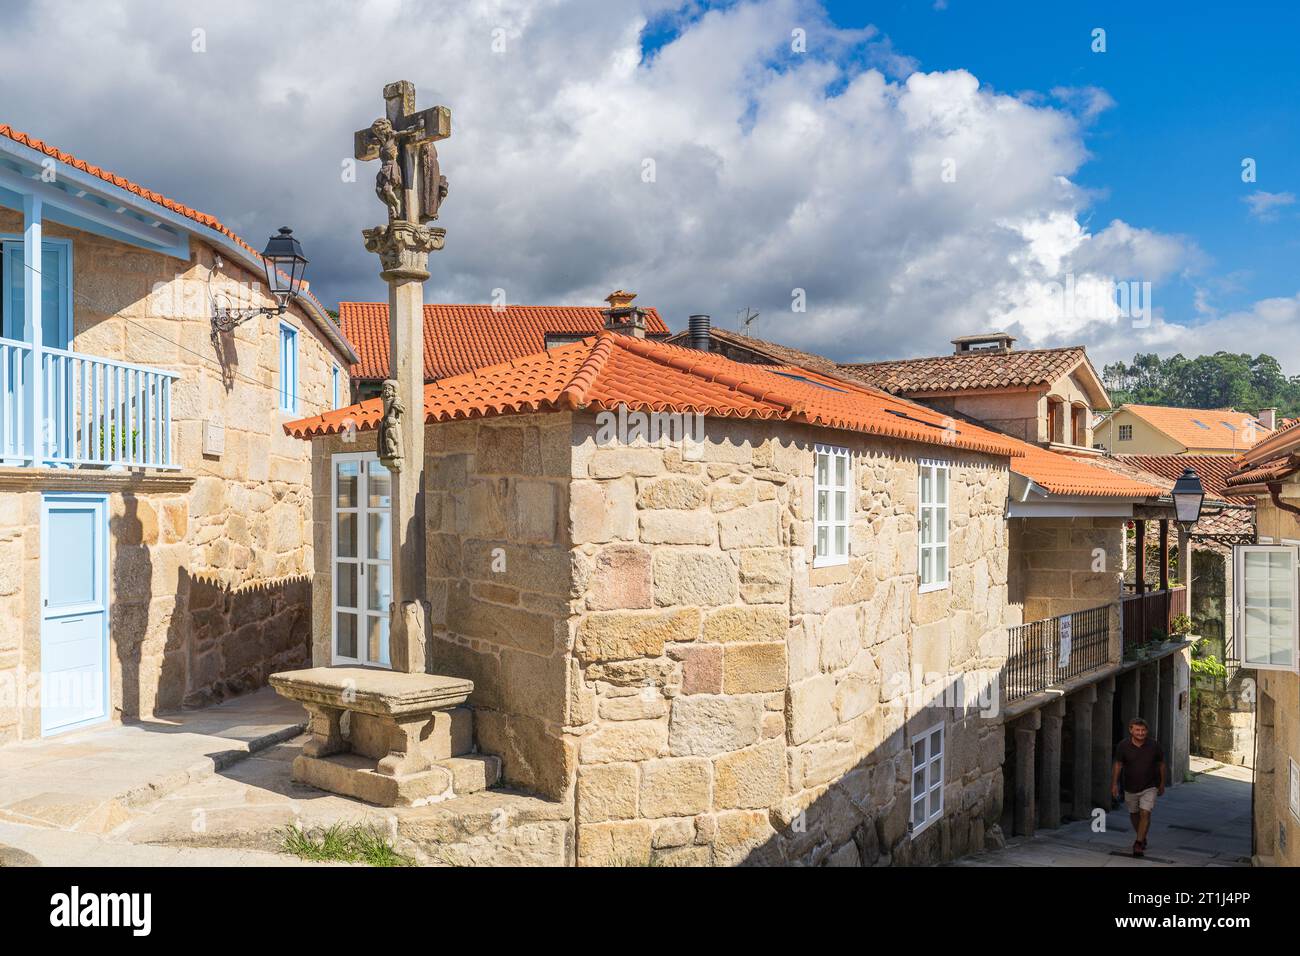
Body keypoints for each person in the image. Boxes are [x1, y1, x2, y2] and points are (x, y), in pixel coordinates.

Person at [1111, 717, 1166, 857]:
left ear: (1147, 731)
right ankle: (1142, 836)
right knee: (1134, 814)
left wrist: (1162, 783)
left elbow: (1161, 765)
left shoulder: (1154, 745)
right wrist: (1114, 784)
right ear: (1131, 730)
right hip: (1130, 786)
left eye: (1143, 730)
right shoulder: (1123, 745)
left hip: (1150, 785)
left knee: (1145, 813)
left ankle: (1138, 843)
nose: (1140, 733)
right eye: (1137, 730)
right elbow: (1118, 764)